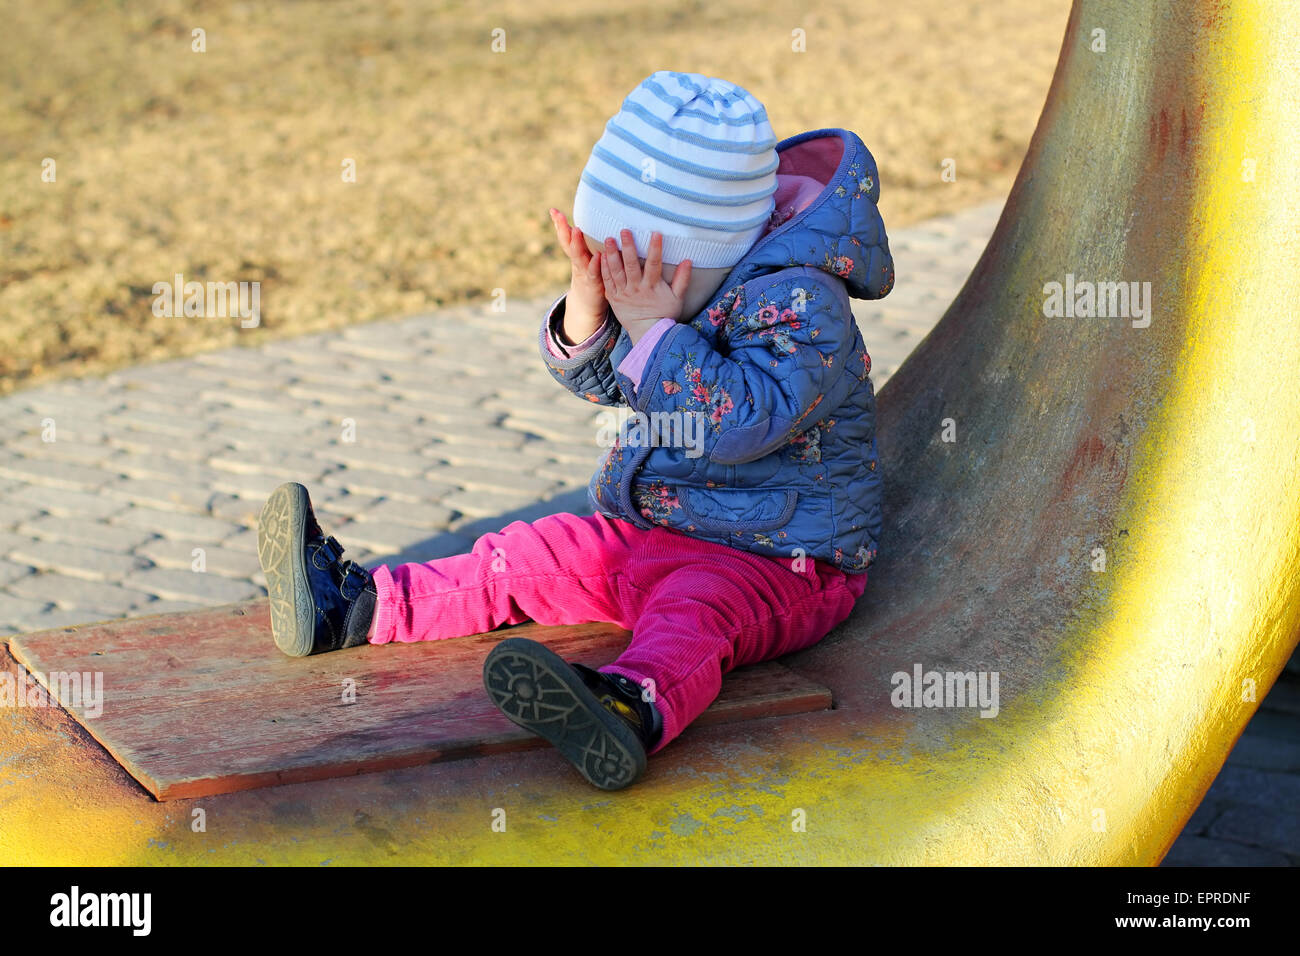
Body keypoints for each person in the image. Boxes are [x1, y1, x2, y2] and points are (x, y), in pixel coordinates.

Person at [257, 71, 893, 791]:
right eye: (604, 268)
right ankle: (358, 607)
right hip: (658, 532)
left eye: (626, 275)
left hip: (782, 561)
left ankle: (628, 707)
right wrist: (588, 313)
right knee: (529, 552)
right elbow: (619, 381)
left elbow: (746, 423)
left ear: (699, 256)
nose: (624, 294)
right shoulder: (686, 288)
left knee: (693, 617)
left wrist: (655, 329)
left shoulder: (805, 303)